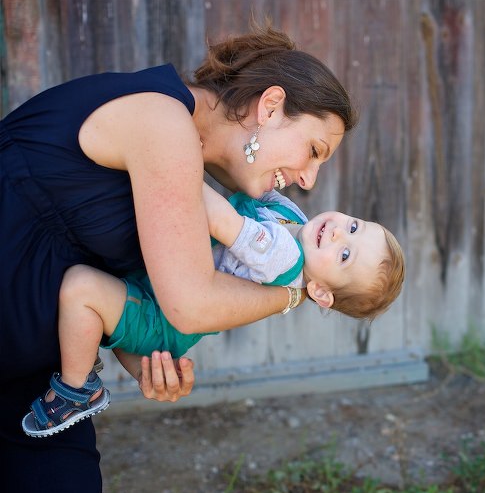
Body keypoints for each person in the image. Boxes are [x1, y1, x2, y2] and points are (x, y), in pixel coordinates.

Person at [0, 21, 357, 493]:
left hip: (36, 380)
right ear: (270, 108)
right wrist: (296, 291)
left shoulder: (186, 166)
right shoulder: (162, 123)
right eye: (313, 150)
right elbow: (192, 304)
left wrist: (138, 355)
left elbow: (116, 283)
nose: (308, 180)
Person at [22, 185, 405, 437]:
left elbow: (218, 216)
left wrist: (169, 158)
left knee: (80, 289)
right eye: (354, 227)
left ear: (319, 292)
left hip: (160, 313)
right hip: (161, 289)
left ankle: (77, 389)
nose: (340, 233)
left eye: (343, 255)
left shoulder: (284, 257)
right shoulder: (295, 222)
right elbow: (255, 187)